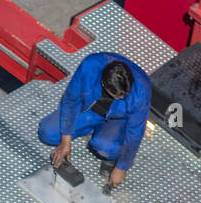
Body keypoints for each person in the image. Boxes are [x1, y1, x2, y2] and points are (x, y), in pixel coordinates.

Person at [37, 53, 151, 189]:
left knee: (106, 148)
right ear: (103, 83)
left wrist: (122, 167)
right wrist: (65, 141)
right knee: (47, 133)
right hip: (89, 111)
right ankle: (90, 129)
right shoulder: (89, 67)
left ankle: (107, 143)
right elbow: (71, 101)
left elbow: (135, 133)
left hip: (117, 119)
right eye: (117, 95)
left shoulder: (140, 92)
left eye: (124, 95)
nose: (121, 98)